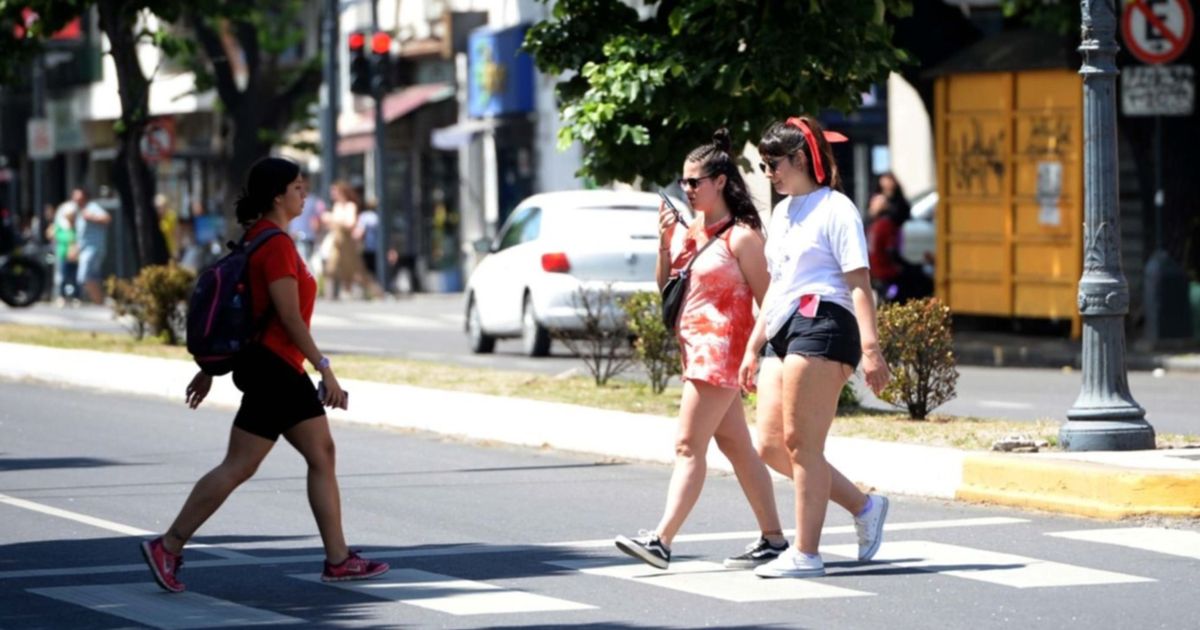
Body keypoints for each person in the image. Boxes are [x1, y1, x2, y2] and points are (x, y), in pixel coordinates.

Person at [140, 157, 389, 593]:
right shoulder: (275, 245)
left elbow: (248, 313)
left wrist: (209, 370)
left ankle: (336, 558)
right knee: (272, 460)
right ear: (277, 195)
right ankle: (171, 544)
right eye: (297, 187)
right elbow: (288, 318)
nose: (304, 193)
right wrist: (325, 368)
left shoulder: (259, 238)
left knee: (294, 457)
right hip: (275, 368)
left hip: (267, 365)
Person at [615, 129, 789, 570]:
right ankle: (774, 539)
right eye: (684, 182)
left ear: (721, 181)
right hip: (695, 351)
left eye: (695, 182)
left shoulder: (742, 237)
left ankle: (662, 540)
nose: (688, 189)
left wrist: (755, 351)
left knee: (688, 445)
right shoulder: (693, 231)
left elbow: (769, 298)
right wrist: (664, 241)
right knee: (737, 447)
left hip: (720, 352)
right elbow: (666, 288)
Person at [741, 116, 892, 579]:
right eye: (764, 165)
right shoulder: (782, 212)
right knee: (771, 445)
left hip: (825, 321)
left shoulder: (836, 208)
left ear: (800, 159)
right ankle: (865, 506)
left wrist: (871, 349)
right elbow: (777, 286)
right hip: (784, 324)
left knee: (802, 443)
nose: (769, 174)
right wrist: (752, 346)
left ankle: (806, 553)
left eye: (773, 164)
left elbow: (859, 283)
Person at [67, 188, 111, 304]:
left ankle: (100, 300)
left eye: (78, 197)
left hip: (94, 248)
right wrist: (75, 248)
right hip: (84, 249)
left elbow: (107, 218)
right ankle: (100, 301)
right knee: (92, 276)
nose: (76, 199)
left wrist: (92, 217)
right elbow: (81, 235)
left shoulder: (92, 207)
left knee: (84, 275)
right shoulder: (78, 211)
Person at [45, 201, 79, 305]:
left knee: (74, 277)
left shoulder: (77, 226)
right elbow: (50, 234)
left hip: (75, 255)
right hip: (62, 253)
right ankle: (61, 296)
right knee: (62, 276)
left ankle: (76, 297)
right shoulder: (60, 225)